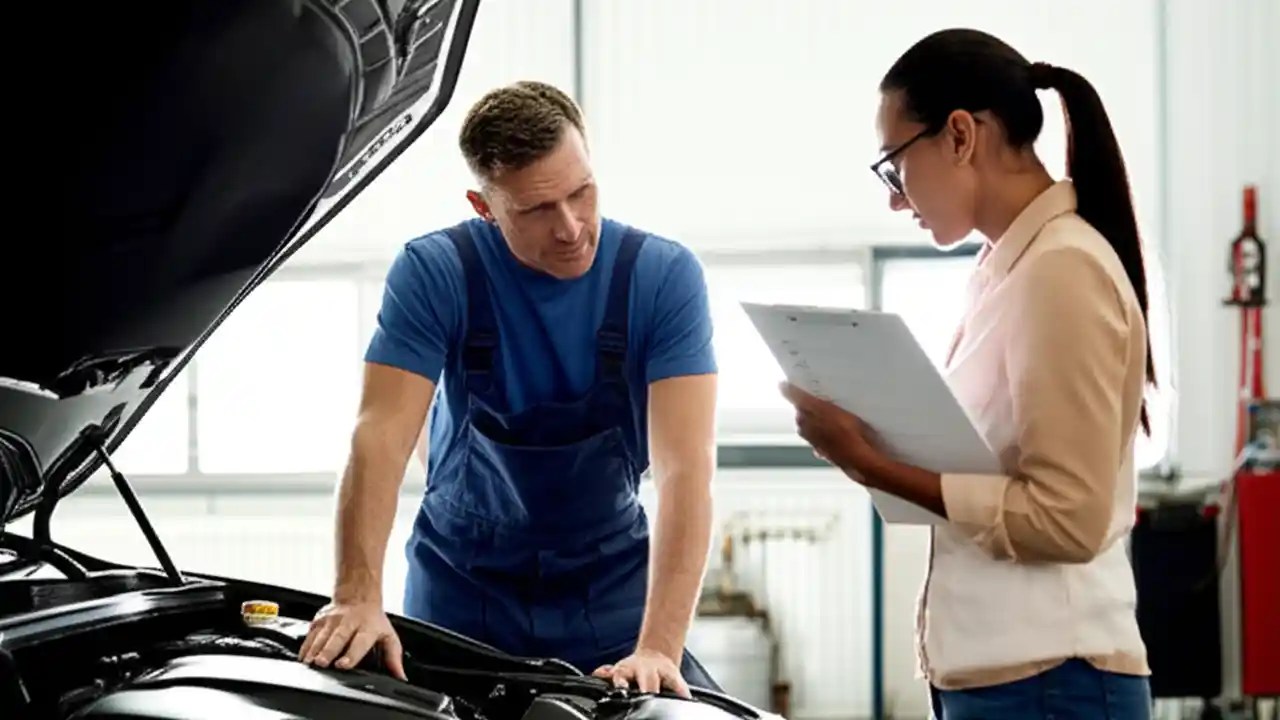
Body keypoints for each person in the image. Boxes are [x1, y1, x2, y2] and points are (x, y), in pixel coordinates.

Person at [298, 80, 721, 697]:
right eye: (537, 210)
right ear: (485, 207)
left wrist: (658, 646)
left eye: (582, 193)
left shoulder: (662, 276)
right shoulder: (435, 271)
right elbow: (380, 437)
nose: (572, 227)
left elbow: (687, 470)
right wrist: (357, 596)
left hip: (610, 602)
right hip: (458, 596)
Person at [780, 29, 1156, 719]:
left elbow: (1067, 519)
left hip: (1052, 682)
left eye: (895, 166)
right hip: (1010, 682)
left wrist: (870, 464)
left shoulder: (1061, 269)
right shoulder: (1007, 270)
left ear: (959, 136)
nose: (896, 199)